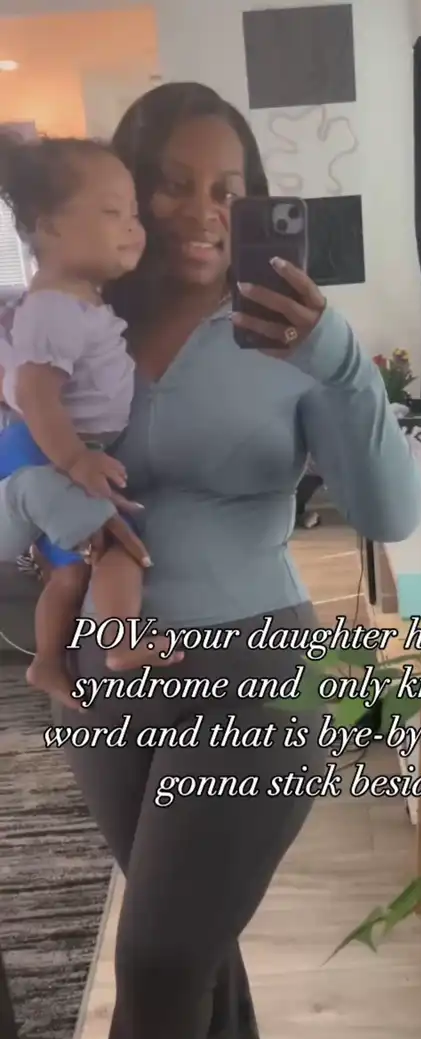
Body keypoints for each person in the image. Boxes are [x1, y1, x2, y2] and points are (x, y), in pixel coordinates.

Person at [0, 82, 421, 1039]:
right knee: (189, 941)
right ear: (122, 194)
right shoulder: (72, 322)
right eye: (172, 185)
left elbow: (390, 514)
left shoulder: (294, 338)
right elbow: (11, 492)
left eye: (228, 189)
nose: (203, 212)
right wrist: (52, 507)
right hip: (105, 681)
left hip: (255, 680)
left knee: (155, 958)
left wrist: (337, 360)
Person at [0, 133, 179, 710]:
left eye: (133, 213)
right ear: (50, 227)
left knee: (69, 573)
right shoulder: (55, 308)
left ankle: (47, 662)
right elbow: (35, 393)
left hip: (50, 450)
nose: (132, 227)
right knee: (117, 547)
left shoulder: (75, 300)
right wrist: (76, 460)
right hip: (50, 450)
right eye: (110, 213)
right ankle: (121, 644)